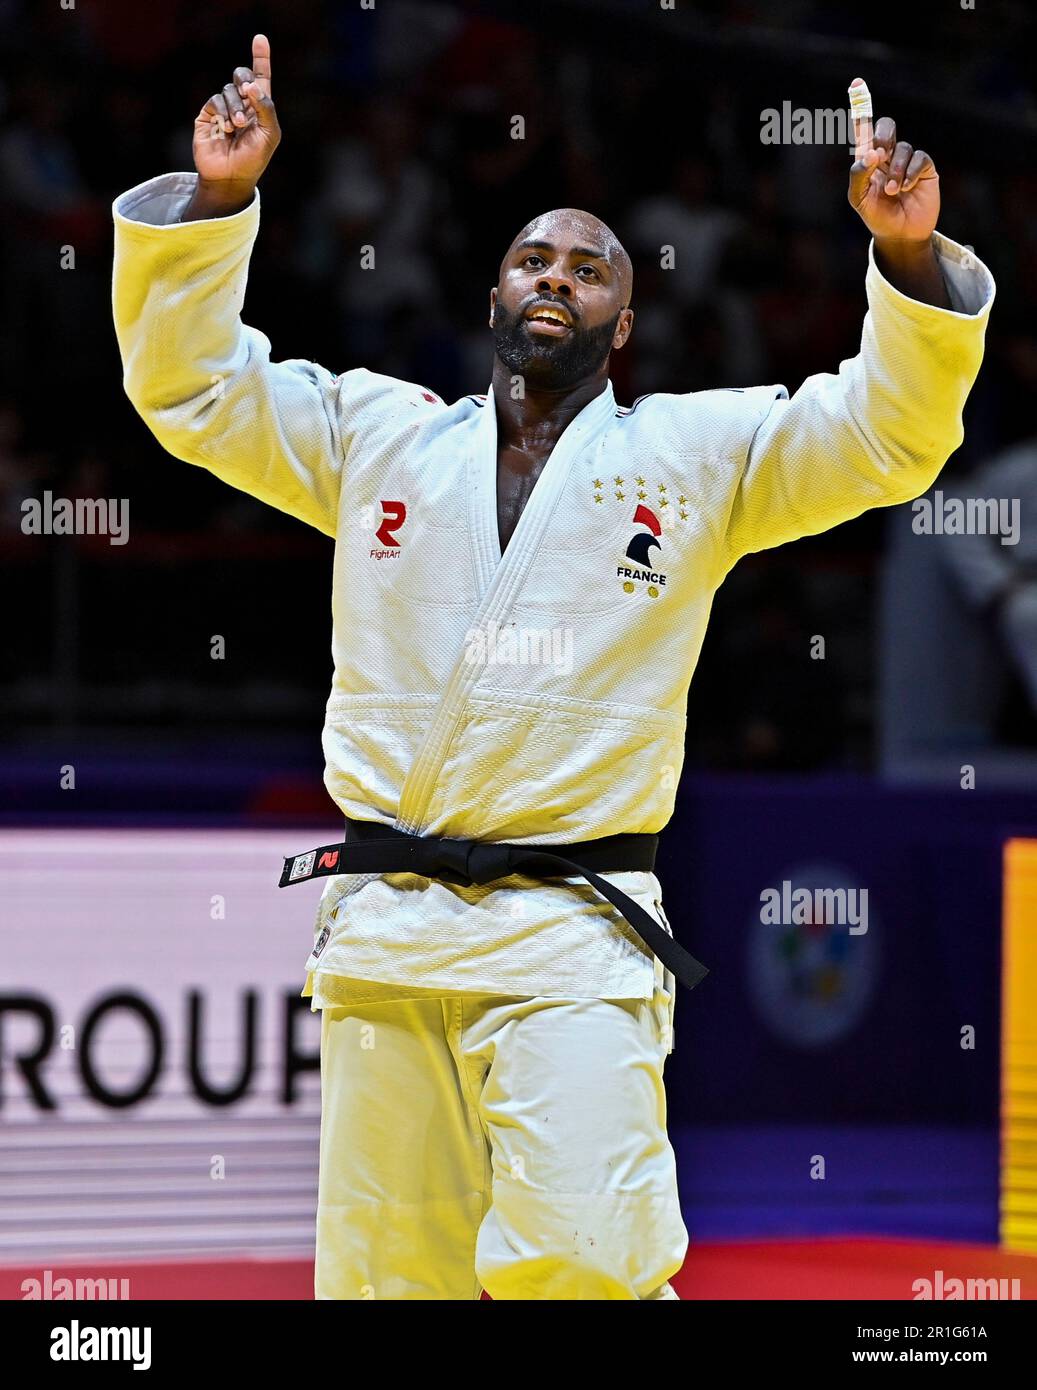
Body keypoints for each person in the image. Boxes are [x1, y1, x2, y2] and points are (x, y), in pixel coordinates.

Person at [111, 35, 994, 1299]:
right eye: (532, 258)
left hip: (572, 935)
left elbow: (881, 437)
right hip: (390, 931)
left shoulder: (692, 459)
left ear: (623, 322)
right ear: (490, 295)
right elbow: (191, 388)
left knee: (590, 1259)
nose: (553, 278)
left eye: (586, 269)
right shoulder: (378, 435)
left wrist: (903, 258)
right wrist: (218, 198)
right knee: (383, 1284)